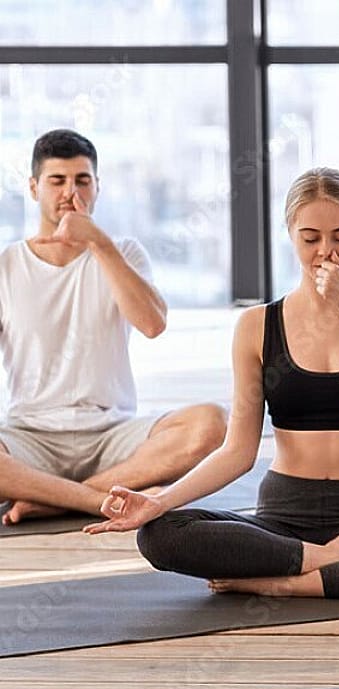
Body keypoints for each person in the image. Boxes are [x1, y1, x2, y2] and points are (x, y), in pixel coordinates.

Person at [83, 168, 339, 601]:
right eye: (310, 238)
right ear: (290, 233)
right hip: (282, 514)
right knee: (161, 534)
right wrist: (159, 502)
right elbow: (237, 452)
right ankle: (323, 561)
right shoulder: (256, 325)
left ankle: (293, 582)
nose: (326, 252)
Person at [0, 129, 226, 526]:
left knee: (213, 423)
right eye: (57, 180)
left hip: (112, 434)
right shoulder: (7, 265)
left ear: (97, 187)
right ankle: (92, 499)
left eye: (82, 180)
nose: (71, 191)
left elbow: (153, 324)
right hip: (30, 436)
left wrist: (98, 243)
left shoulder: (123, 252)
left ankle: (53, 498)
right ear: (34, 188)